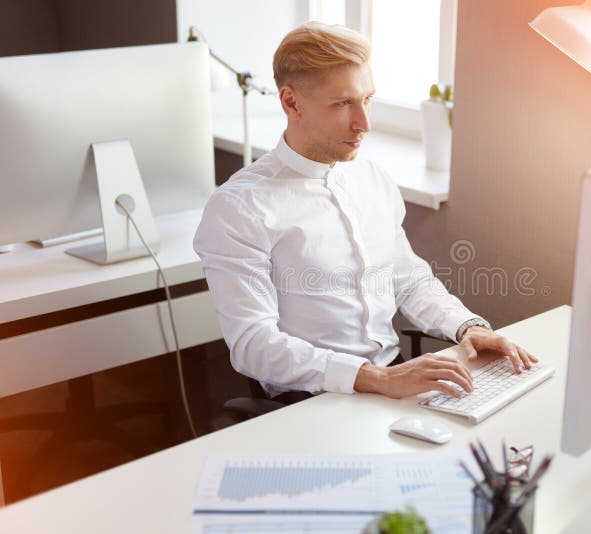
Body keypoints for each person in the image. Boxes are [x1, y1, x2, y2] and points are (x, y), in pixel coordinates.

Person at [193, 22, 537, 404]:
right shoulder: (238, 207)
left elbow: (408, 279)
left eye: (367, 99)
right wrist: (374, 378)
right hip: (310, 399)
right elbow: (253, 345)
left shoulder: (372, 178)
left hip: (394, 377)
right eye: (343, 104)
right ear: (291, 102)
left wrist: (466, 327)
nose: (364, 124)